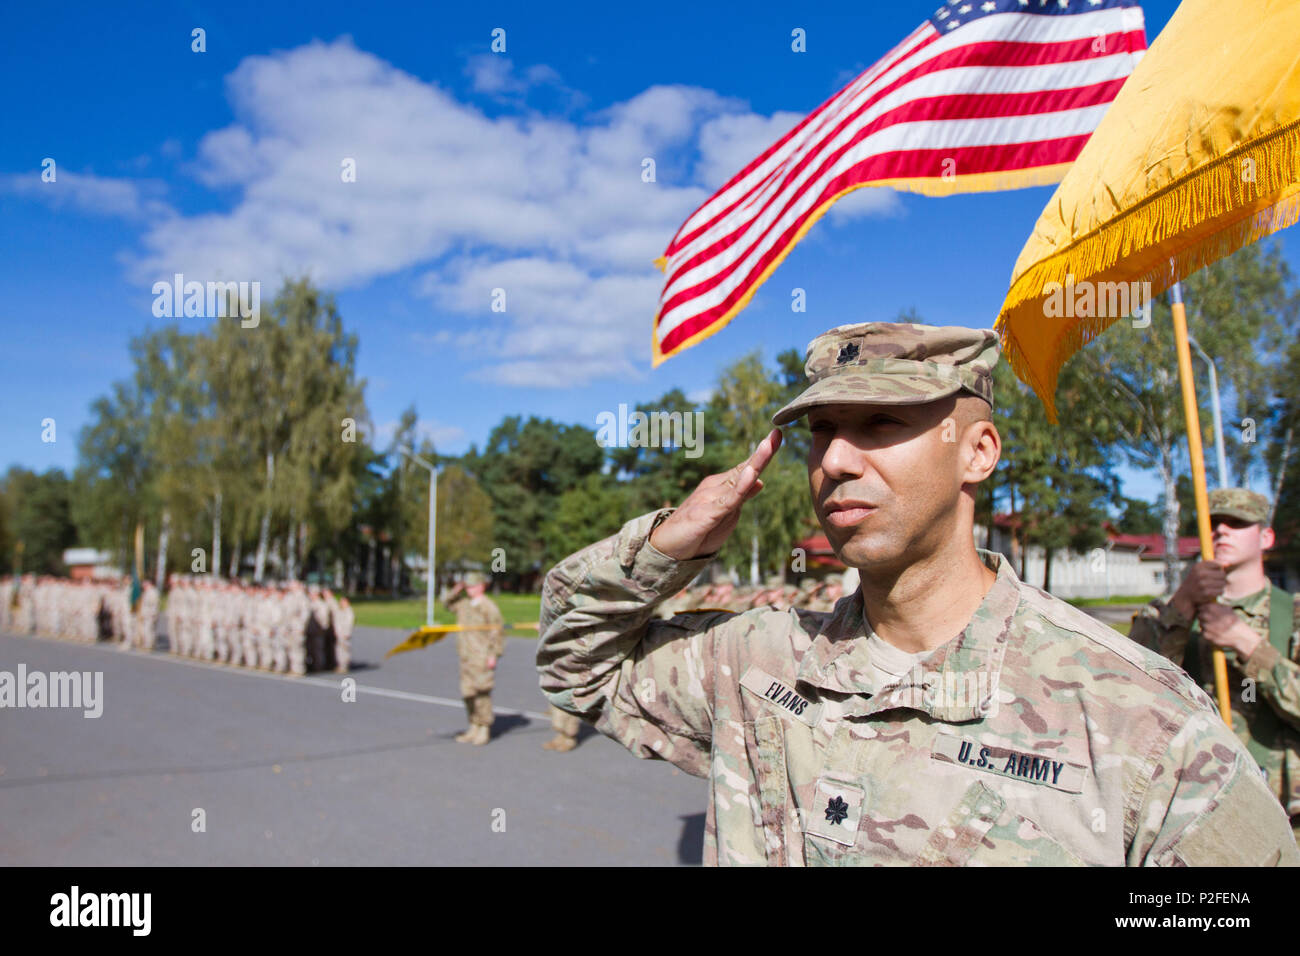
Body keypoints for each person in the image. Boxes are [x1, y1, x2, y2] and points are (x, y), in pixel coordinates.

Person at [537, 321, 1299, 866]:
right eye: (820, 431)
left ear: (977, 452)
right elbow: (575, 667)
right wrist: (669, 544)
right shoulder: (757, 661)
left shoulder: (1137, 718)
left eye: (878, 422)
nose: (835, 457)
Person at [1130, 488, 1300, 840]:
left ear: (1265, 536)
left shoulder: (1294, 615)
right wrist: (1182, 607)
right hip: (1192, 820)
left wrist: (1248, 645)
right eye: (1213, 523)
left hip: (1286, 821)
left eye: (1237, 523)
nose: (1221, 531)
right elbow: (1129, 700)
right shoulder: (1163, 614)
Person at [446, 572, 505, 745]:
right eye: (467, 586)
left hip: (482, 656)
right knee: (467, 693)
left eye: (472, 586)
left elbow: (498, 632)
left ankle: (484, 728)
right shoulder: (464, 604)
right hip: (466, 656)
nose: (469, 589)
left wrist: (494, 655)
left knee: (481, 693)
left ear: (481, 586)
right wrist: (456, 590)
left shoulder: (488, 606)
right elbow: (446, 603)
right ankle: (473, 725)